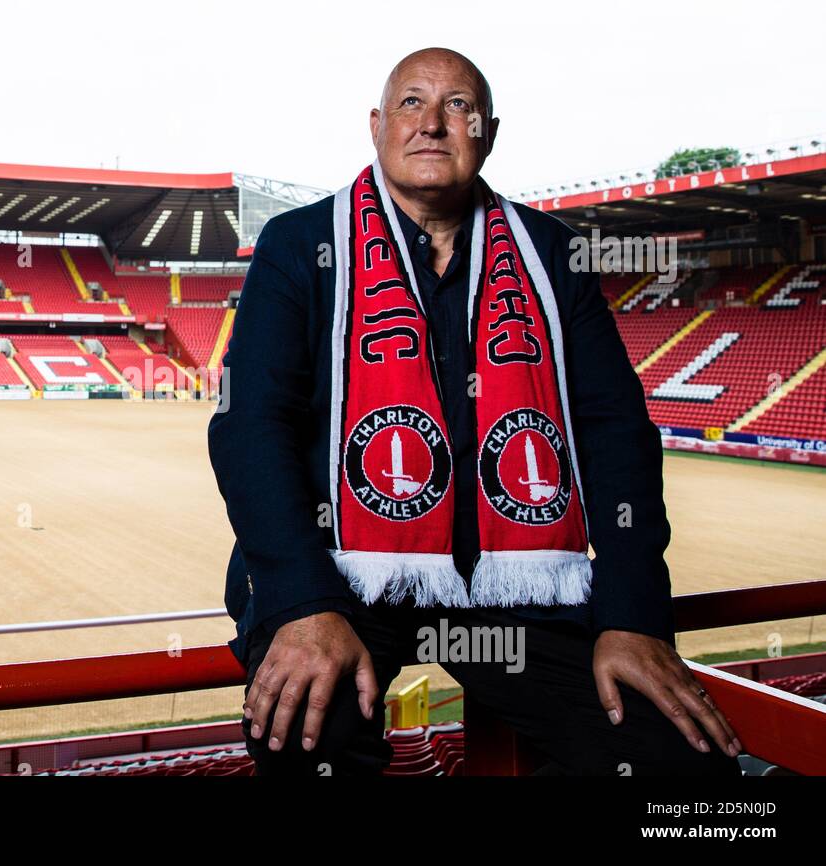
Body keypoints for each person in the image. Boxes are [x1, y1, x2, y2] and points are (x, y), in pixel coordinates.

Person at [206, 47, 742, 776]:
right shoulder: (301, 244)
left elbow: (616, 432)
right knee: (306, 735)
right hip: (344, 579)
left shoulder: (552, 253)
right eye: (411, 103)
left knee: (669, 753)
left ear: (487, 131)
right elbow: (249, 427)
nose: (432, 123)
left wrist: (631, 614)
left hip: (509, 586)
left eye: (457, 105)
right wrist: (302, 602)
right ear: (376, 126)